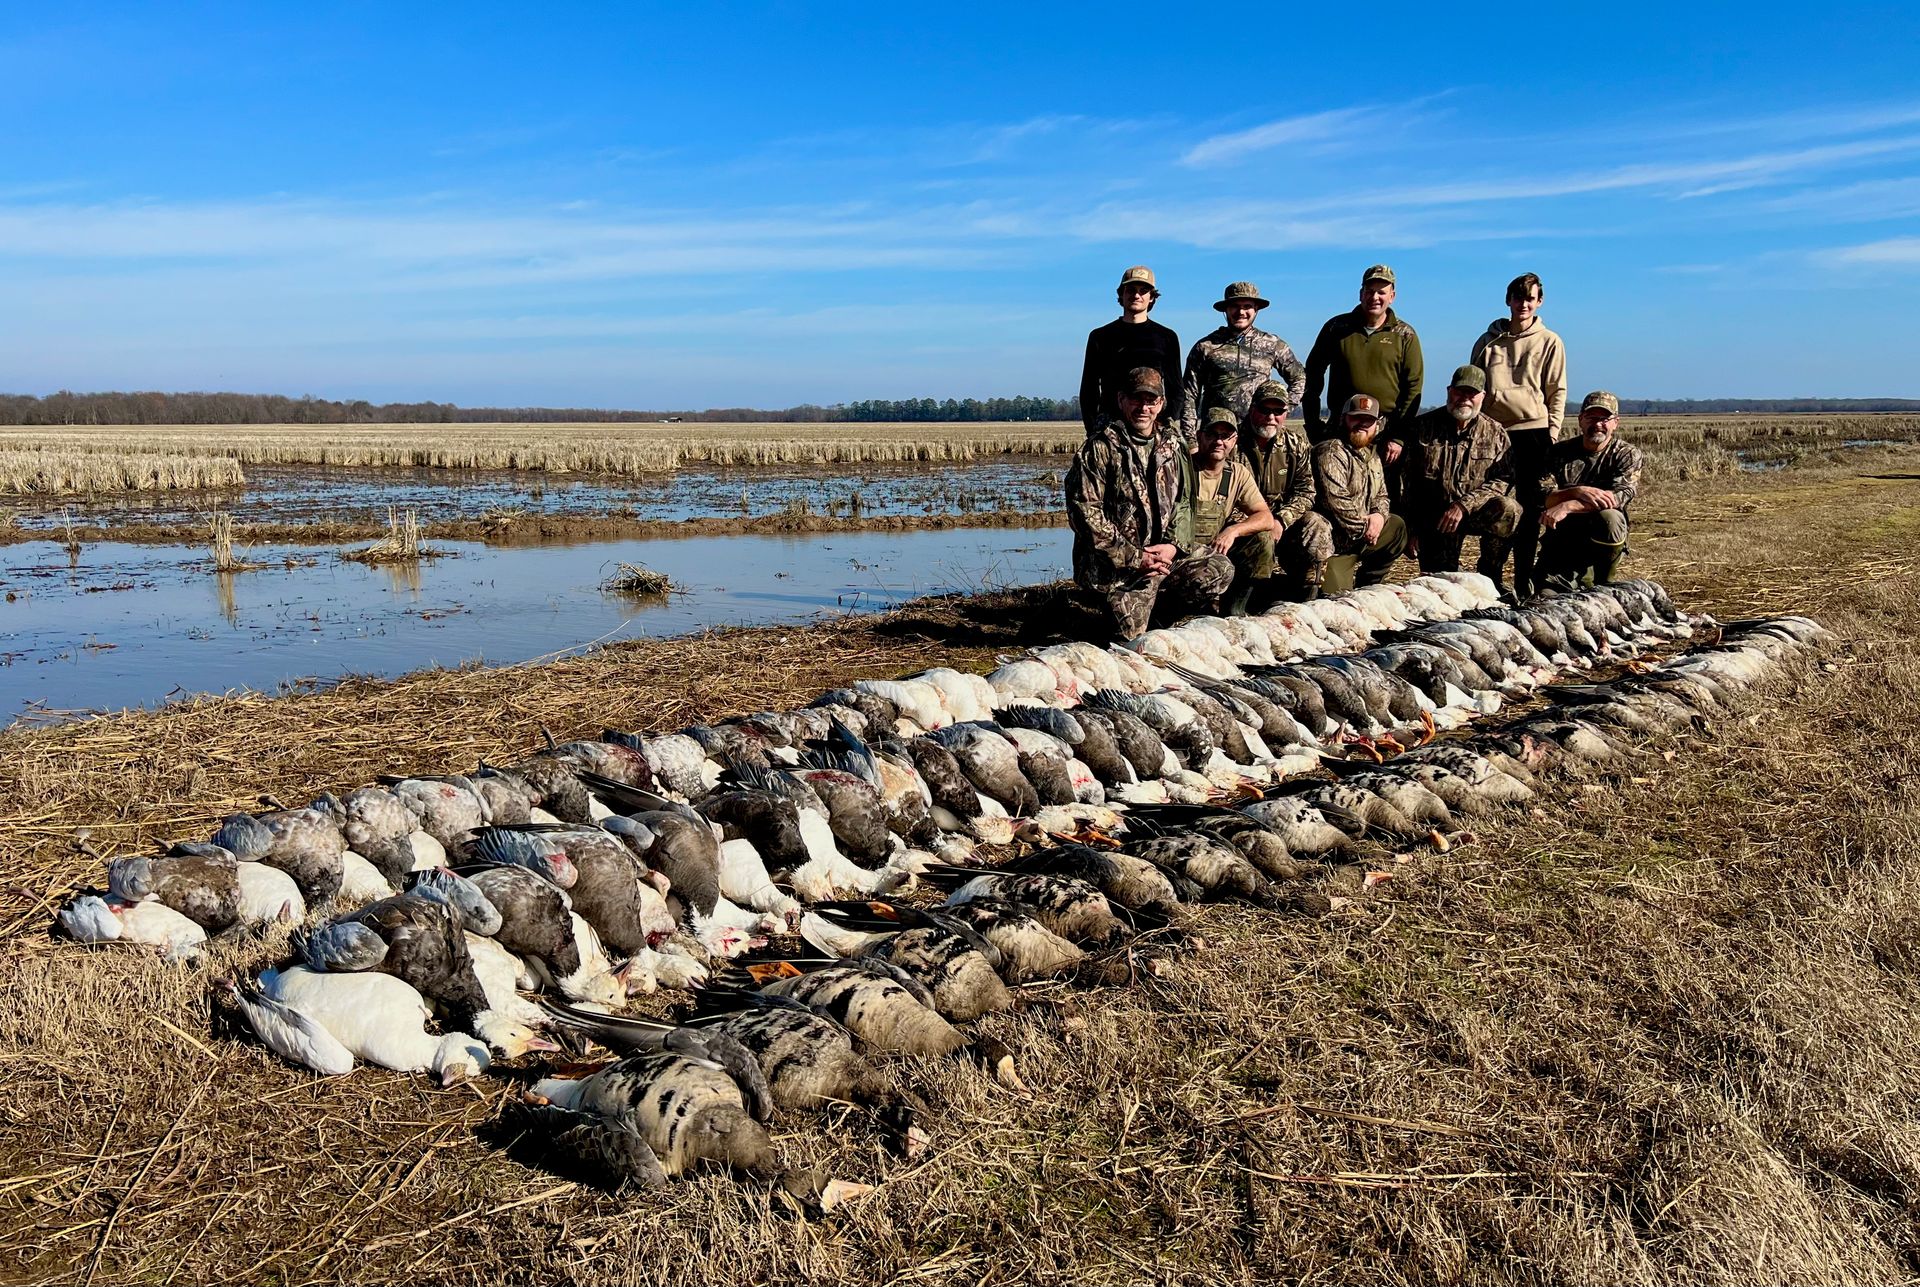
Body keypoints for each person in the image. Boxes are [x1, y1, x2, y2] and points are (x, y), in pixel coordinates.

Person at [1065, 366, 1234, 640]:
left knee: (1219, 569)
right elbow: (1085, 514)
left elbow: (1185, 501)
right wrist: (1136, 557)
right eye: (1136, 399)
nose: (1144, 407)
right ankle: (1102, 615)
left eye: (1151, 400)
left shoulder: (1173, 443)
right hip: (1118, 567)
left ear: (1161, 403)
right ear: (1121, 400)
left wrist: (1172, 545)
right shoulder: (1099, 448)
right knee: (1128, 639)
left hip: (1163, 558)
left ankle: (1160, 615)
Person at [1471, 272, 1567, 594]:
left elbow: (1556, 391)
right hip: (1493, 434)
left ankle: (1524, 581)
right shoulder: (1487, 342)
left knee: (1530, 512)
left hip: (1533, 432)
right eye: (1518, 297)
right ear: (1508, 300)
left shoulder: (1550, 341)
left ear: (1539, 302)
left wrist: (1551, 434)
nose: (1523, 304)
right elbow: (1476, 390)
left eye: (1530, 298)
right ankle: (1490, 580)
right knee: (1495, 506)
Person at [1400, 365, 1522, 590]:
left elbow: (1503, 480)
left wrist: (1464, 505)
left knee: (1509, 508)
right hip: (1435, 516)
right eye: (1460, 392)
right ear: (1449, 391)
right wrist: (1411, 529)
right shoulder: (1422, 428)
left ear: (1482, 397)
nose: (1465, 399)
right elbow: (1407, 484)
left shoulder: (1496, 433)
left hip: (1476, 512)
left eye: (1472, 394)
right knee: (1439, 586)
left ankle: (1490, 575)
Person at [1303, 264, 1424, 446]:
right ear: (1361, 294)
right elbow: (1312, 374)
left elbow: (1413, 387)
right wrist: (1312, 423)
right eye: (1370, 291)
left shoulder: (1405, 335)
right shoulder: (1336, 328)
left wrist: (1398, 436)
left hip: (1384, 431)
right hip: (1341, 427)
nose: (1375, 297)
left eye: (1381, 292)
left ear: (1392, 296)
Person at [1237, 379, 1331, 606]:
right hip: (1243, 524)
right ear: (1252, 409)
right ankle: (1247, 597)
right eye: (1264, 410)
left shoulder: (1296, 443)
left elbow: (1306, 491)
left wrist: (1281, 519)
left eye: (1278, 411)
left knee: (1316, 524)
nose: (1271, 417)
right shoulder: (1233, 441)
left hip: (1282, 523)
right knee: (1260, 540)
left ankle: (1308, 597)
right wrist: (1259, 522)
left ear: (1286, 413)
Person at [1535, 391, 1643, 588]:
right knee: (1546, 597)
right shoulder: (1557, 453)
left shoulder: (1627, 454)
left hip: (1600, 534)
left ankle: (1604, 581)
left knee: (1611, 517)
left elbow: (1619, 497)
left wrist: (1569, 505)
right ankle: (1569, 575)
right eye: (1592, 417)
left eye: (1605, 419)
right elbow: (1544, 497)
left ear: (1615, 423)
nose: (1598, 424)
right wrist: (1577, 491)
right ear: (1581, 420)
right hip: (1563, 538)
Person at [1180, 282, 1305, 451]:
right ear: (1226, 310)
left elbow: (1299, 377)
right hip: (1218, 438)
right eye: (1235, 306)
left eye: (1247, 306)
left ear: (1256, 309)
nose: (1241, 312)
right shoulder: (1205, 347)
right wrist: (1191, 441)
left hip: (1258, 436)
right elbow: (1189, 394)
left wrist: (1281, 410)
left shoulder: (1272, 344)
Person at [1309, 394, 1407, 595]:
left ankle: (1370, 583)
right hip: (1334, 546)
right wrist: (1367, 529)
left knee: (1396, 526)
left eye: (1369, 420)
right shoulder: (1329, 452)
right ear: (1344, 418)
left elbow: (1382, 496)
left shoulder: (1371, 455)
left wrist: (1379, 517)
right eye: (1356, 418)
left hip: (1364, 537)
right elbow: (1336, 503)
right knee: (1336, 602)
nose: (1362, 424)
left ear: (1377, 425)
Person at [1182, 407, 1276, 615]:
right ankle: (1179, 614)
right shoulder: (1182, 467)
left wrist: (1234, 530)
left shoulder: (1237, 473)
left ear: (1234, 441)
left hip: (1215, 549)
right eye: (1212, 435)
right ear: (1200, 437)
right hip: (1181, 551)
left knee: (1262, 542)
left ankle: (1234, 610)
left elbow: (1266, 517)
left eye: (1225, 436)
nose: (1219, 442)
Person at [1079, 266, 1183, 436]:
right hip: (1109, 428)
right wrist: (1093, 429)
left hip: (1151, 427)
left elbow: (1177, 391)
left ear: (1151, 298)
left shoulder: (1167, 337)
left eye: (1143, 291)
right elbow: (1088, 391)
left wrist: (1163, 423)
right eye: (1131, 290)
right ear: (1121, 294)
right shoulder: (1100, 336)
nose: (1136, 295)